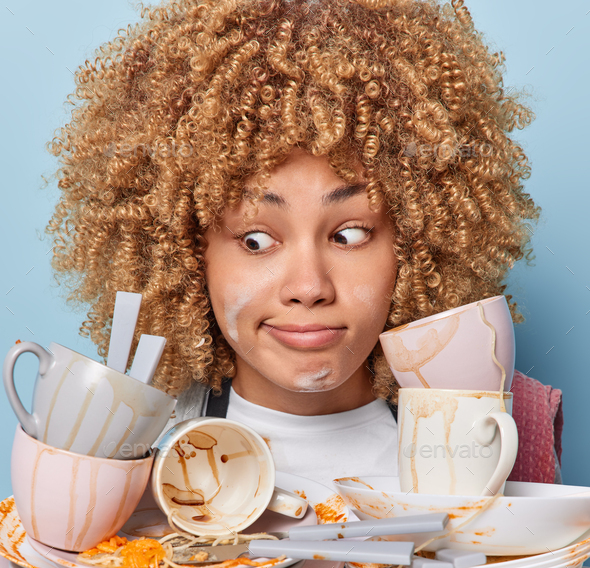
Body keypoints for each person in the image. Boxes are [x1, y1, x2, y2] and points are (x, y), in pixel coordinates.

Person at [46, 0, 539, 488]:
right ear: (188, 255)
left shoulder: (507, 434)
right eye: (257, 240)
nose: (309, 287)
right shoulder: (120, 460)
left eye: (349, 235)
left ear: (416, 245)